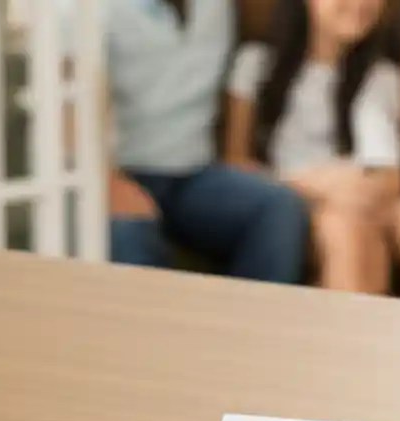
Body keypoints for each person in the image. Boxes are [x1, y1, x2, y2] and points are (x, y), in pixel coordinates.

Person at [223, 0, 400, 304]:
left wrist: (357, 193)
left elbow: (392, 175)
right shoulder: (257, 63)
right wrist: (314, 184)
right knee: (340, 224)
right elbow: (234, 161)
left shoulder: (382, 76)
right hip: (290, 199)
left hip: (363, 200)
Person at [81, 0, 310, 284]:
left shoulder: (219, 7)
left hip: (195, 175)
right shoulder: (94, 11)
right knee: (127, 232)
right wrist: (105, 181)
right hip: (123, 173)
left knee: (277, 206)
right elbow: (65, 106)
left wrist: (237, 154)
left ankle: (250, 325)